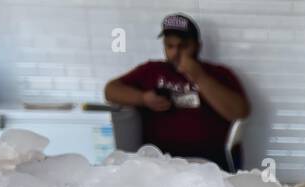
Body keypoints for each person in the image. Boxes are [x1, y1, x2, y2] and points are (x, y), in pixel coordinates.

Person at [103, 14, 250, 169]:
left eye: (183, 46)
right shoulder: (151, 71)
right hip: (160, 163)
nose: (175, 53)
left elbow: (240, 112)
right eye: (169, 46)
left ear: (198, 46)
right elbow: (110, 90)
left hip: (208, 163)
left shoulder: (218, 73)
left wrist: (199, 77)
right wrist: (143, 98)